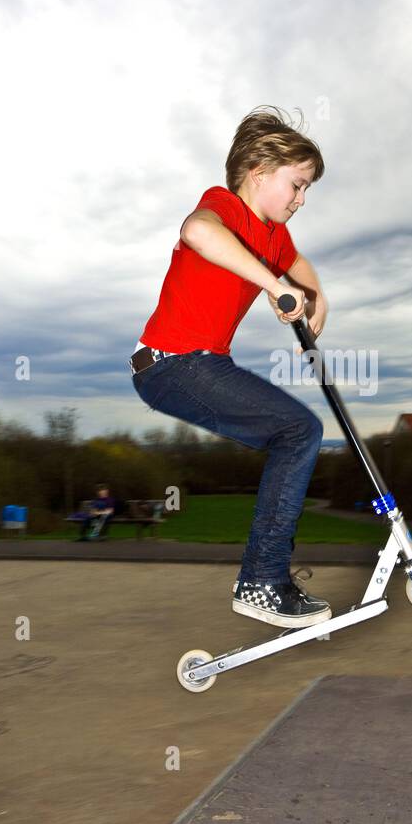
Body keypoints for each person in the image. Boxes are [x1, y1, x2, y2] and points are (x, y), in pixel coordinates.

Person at [129, 106, 331, 627]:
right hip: (172, 363)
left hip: (198, 365)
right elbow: (197, 232)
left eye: (307, 189)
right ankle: (262, 580)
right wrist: (275, 285)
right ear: (259, 173)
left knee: (293, 434)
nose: (301, 199)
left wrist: (315, 296)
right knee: (299, 430)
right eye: (297, 185)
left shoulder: (271, 236)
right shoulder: (224, 207)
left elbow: (297, 263)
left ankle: (266, 577)